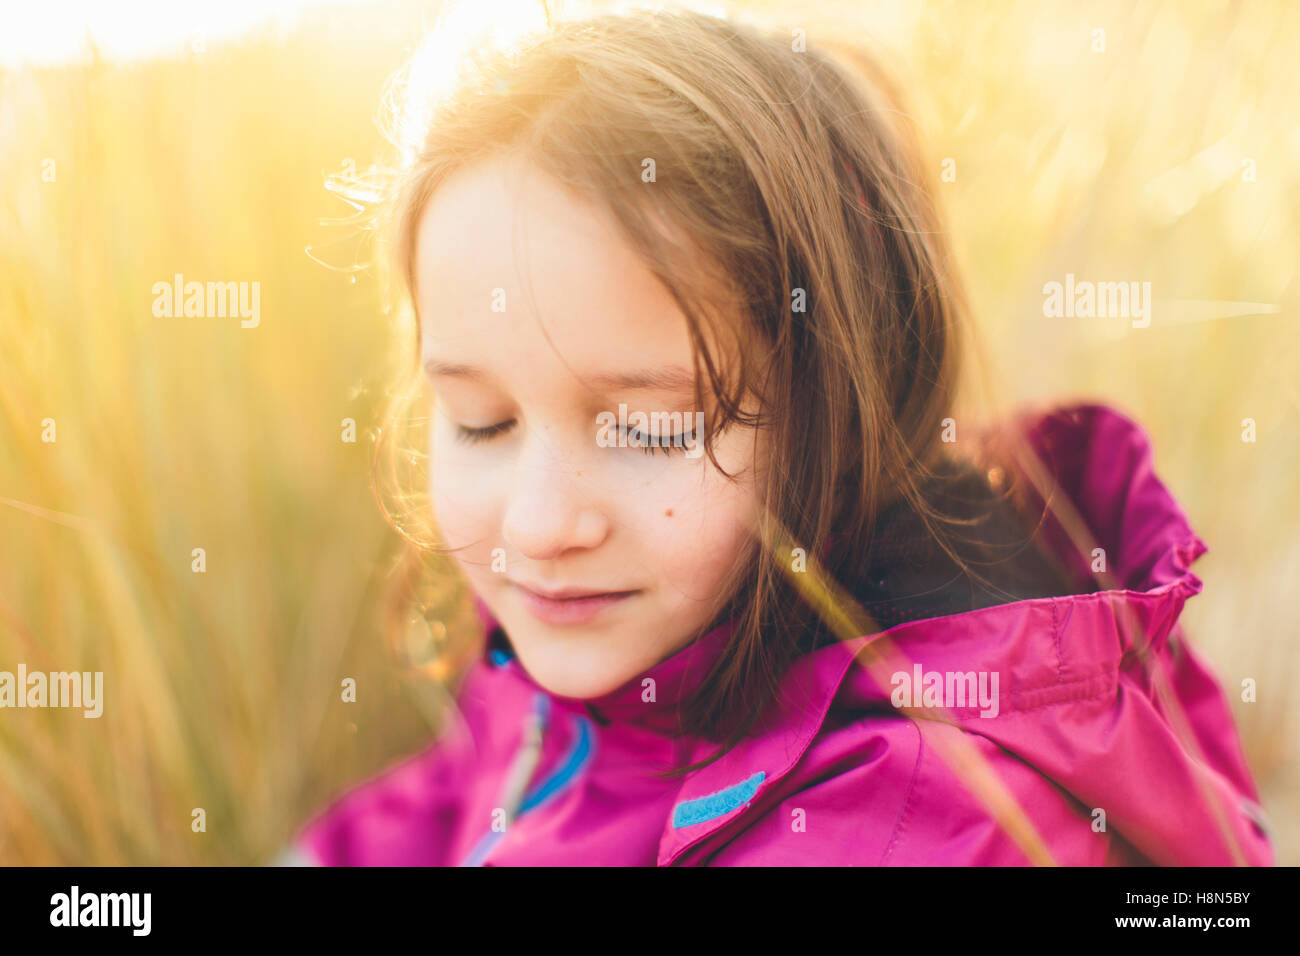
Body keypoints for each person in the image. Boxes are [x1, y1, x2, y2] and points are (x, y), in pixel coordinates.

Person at [282, 7, 1272, 866]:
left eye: (648, 427)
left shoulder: (913, 816)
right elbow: (471, 788)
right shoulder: (618, 637)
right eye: (481, 420)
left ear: (843, 408)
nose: (538, 523)